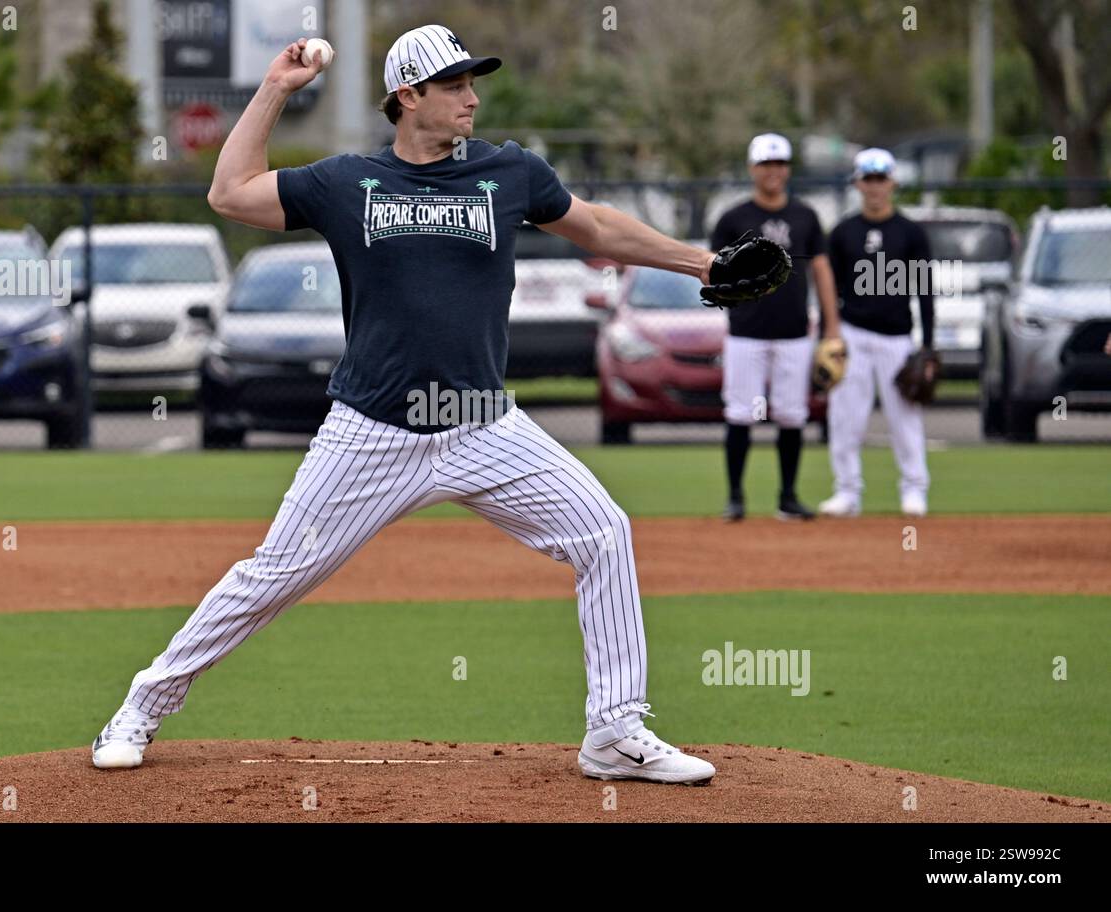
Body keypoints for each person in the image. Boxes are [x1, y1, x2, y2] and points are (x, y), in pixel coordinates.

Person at [88, 24, 762, 785]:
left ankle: (614, 730)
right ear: (408, 97)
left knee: (604, 533)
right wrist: (275, 88)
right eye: (453, 86)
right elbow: (229, 193)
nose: (471, 98)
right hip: (372, 430)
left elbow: (598, 225)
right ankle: (142, 705)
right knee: (272, 575)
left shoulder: (509, 172)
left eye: (472, 84)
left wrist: (704, 262)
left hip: (485, 425)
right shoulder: (346, 182)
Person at [710, 133, 840, 522]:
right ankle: (735, 497)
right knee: (740, 413)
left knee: (791, 414)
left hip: (794, 332)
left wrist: (832, 326)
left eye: (780, 163)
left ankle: (788, 497)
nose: (773, 171)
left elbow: (821, 269)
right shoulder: (734, 219)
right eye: (766, 164)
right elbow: (713, 269)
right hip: (746, 331)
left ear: (788, 169)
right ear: (753, 169)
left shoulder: (806, 216)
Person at [820, 148, 936, 517]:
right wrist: (830, 335)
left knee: (904, 416)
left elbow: (924, 290)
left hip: (896, 338)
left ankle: (914, 490)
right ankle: (847, 492)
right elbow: (828, 289)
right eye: (867, 179)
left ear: (893, 183)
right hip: (852, 334)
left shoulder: (910, 233)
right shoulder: (843, 232)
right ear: (857, 183)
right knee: (845, 417)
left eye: (880, 178)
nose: (874, 186)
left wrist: (928, 346)